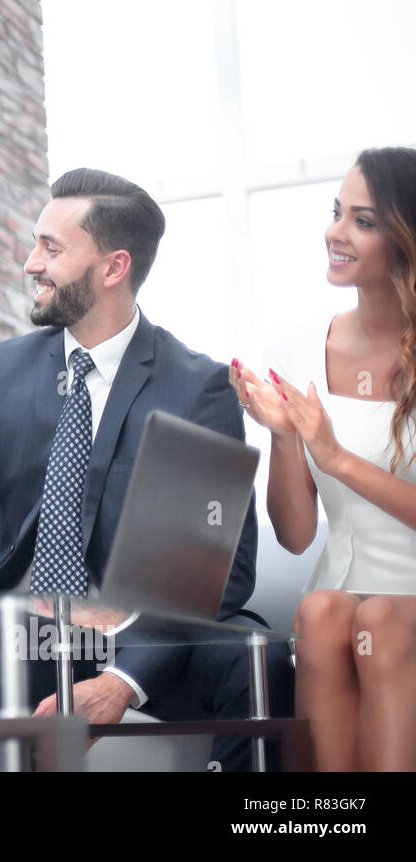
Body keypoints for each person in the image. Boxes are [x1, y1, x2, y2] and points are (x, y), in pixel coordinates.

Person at [0, 168, 289, 771]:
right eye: (34, 243)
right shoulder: (5, 372)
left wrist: (123, 679)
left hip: (147, 634)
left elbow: (217, 575)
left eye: (51, 247)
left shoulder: (194, 387)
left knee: (258, 659)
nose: (29, 263)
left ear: (113, 268)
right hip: (30, 634)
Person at [231, 147, 416, 772]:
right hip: (344, 583)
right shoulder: (296, 345)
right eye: (337, 213)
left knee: (385, 619)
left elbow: (338, 463)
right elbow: (297, 534)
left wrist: (334, 458)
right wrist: (284, 438)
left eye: (363, 221)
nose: (336, 233)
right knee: (322, 610)